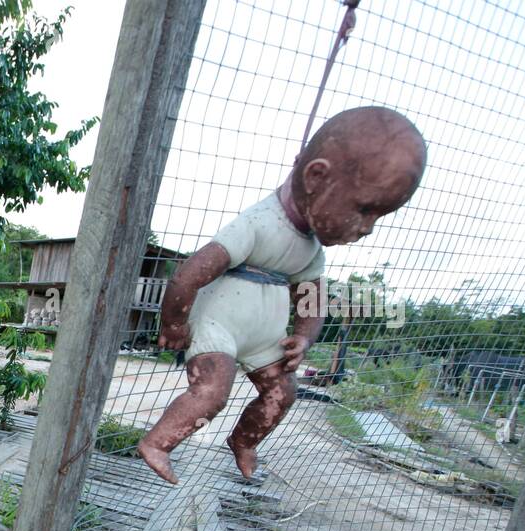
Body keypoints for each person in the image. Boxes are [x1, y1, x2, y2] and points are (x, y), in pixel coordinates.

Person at [136, 106, 427, 484]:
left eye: (378, 217)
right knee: (212, 391)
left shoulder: (311, 250)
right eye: (364, 209)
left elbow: (311, 301)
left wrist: (304, 338)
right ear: (316, 176)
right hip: (218, 329)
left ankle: (243, 441)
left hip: (263, 342)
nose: (367, 228)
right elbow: (188, 275)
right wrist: (174, 322)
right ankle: (158, 444)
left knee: (282, 393)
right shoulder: (257, 224)